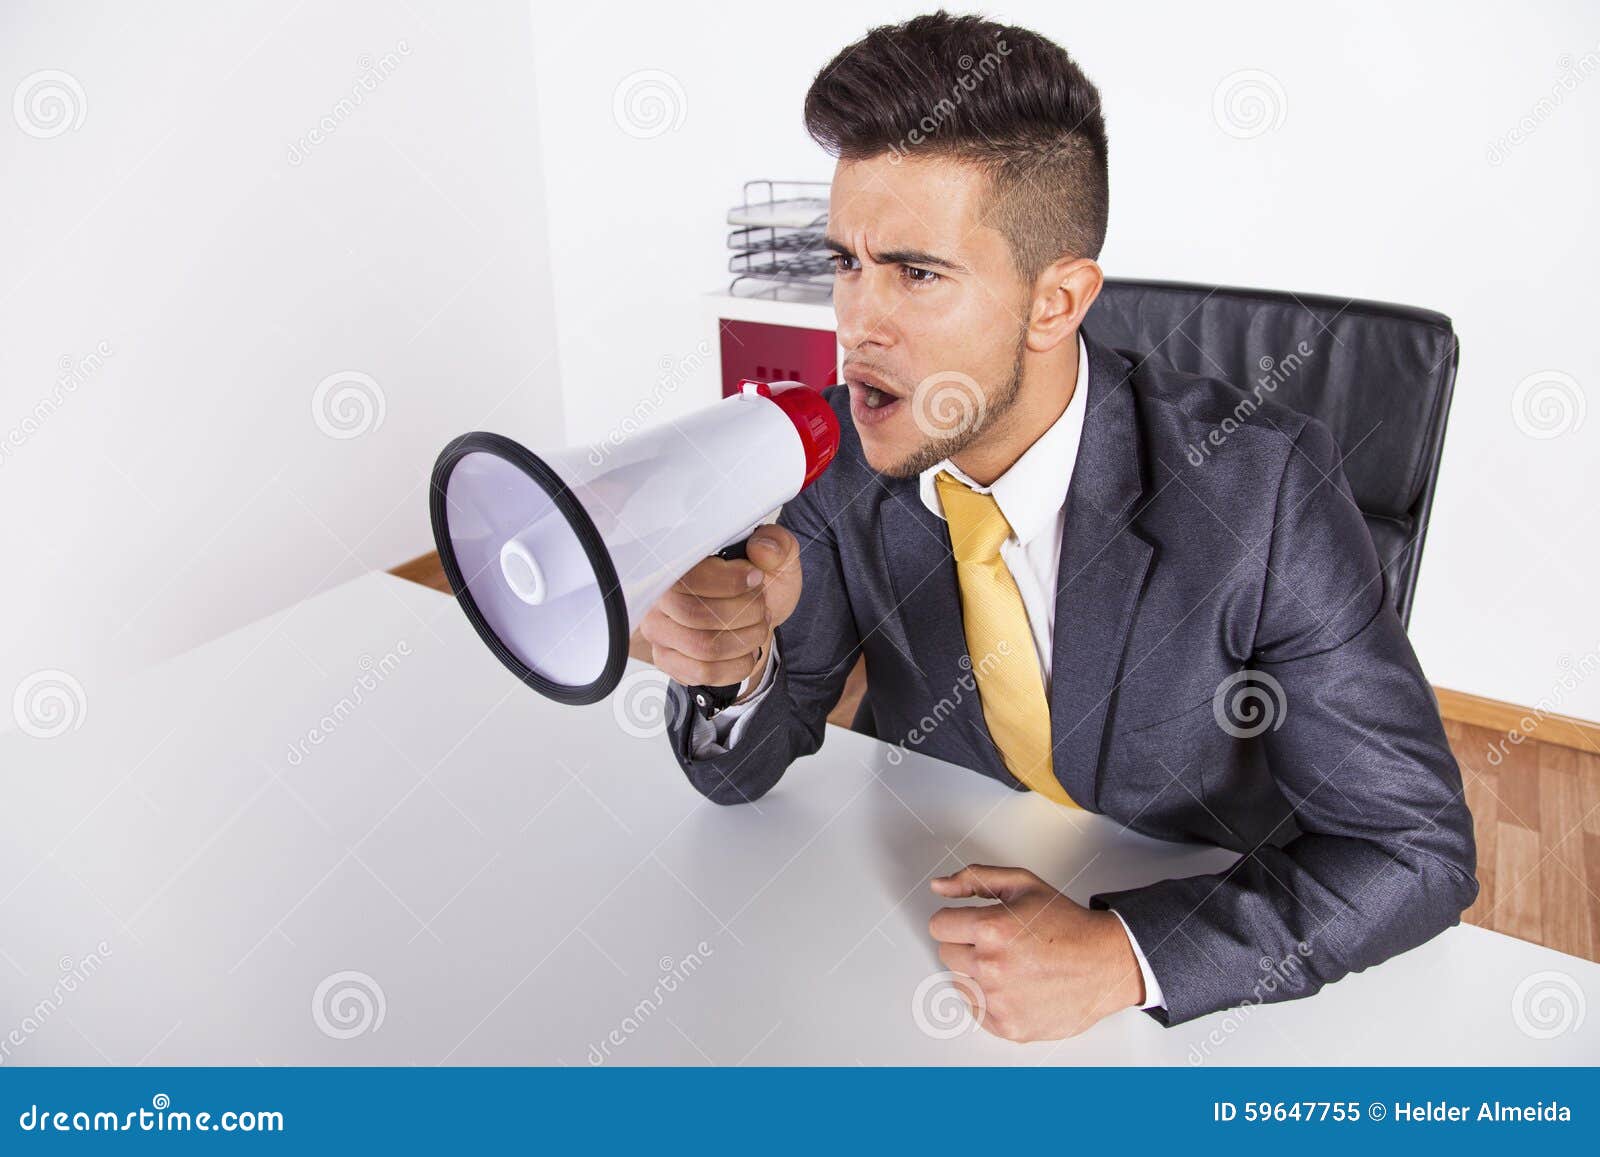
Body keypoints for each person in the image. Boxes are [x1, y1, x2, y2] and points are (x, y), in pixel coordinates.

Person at [639, 10, 1477, 1041]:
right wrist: (731, 664)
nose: (857, 324)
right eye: (845, 263)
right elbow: (737, 770)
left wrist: (1126, 953)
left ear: (1055, 301)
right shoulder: (852, 451)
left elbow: (1416, 851)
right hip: (927, 933)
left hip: (1207, 978)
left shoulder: (1261, 487)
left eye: (917, 272)